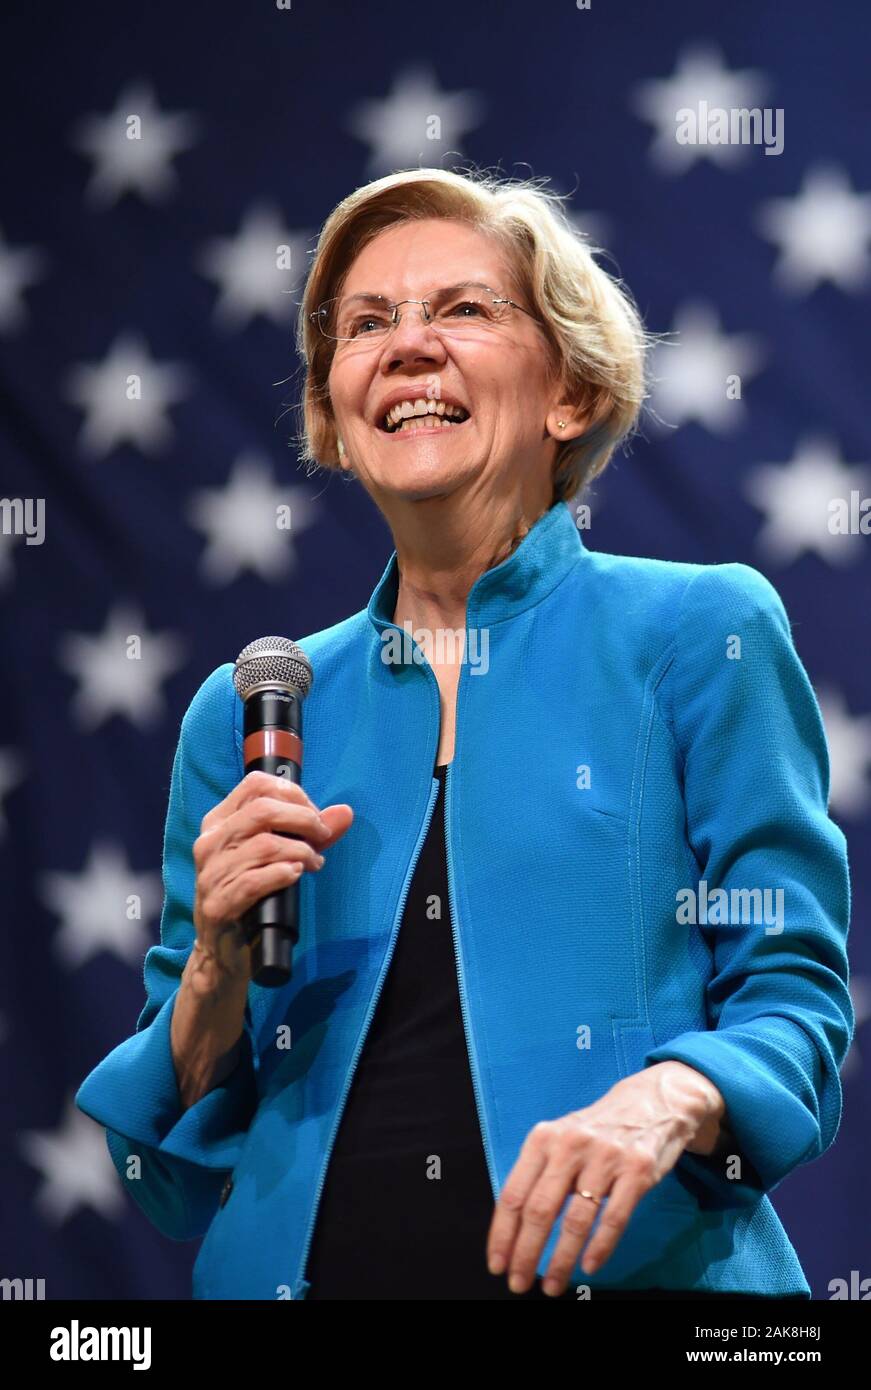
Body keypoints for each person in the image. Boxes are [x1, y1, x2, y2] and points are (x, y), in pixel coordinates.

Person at [76, 167, 852, 1301]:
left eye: (463, 309)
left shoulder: (698, 633)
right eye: (365, 325)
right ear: (334, 418)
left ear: (569, 393)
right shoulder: (250, 710)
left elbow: (793, 1002)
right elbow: (166, 1170)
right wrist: (212, 976)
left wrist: (669, 1096)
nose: (406, 346)